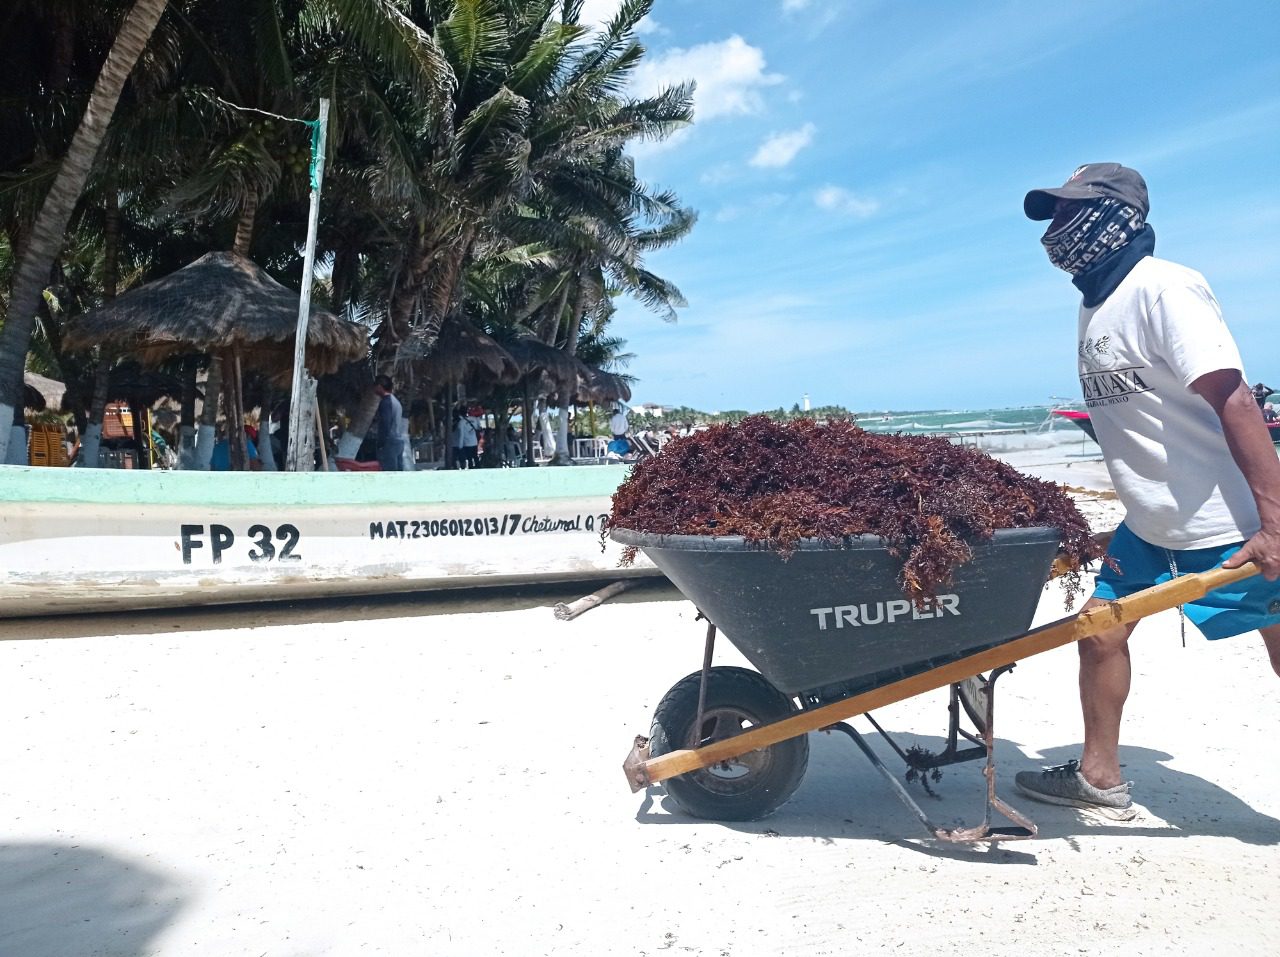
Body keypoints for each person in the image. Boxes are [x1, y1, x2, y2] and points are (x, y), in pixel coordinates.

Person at [1015, 163, 1280, 820]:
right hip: (1148, 527)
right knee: (1099, 633)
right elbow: (1135, 424)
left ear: (1116, 216)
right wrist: (1128, 508)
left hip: (1225, 524)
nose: (1058, 230)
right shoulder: (1094, 303)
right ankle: (1100, 777)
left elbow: (1235, 400)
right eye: (1053, 215)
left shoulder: (1166, 289)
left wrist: (1275, 524)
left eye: (1071, 212)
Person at [373, 375, 405, 472]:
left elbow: (385, 423)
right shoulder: (395, 401)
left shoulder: (386, 402)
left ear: (379, 386)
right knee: (398, 473)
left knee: (389, 474)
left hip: (389, 442)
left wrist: (381, 444)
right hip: (398, 441)